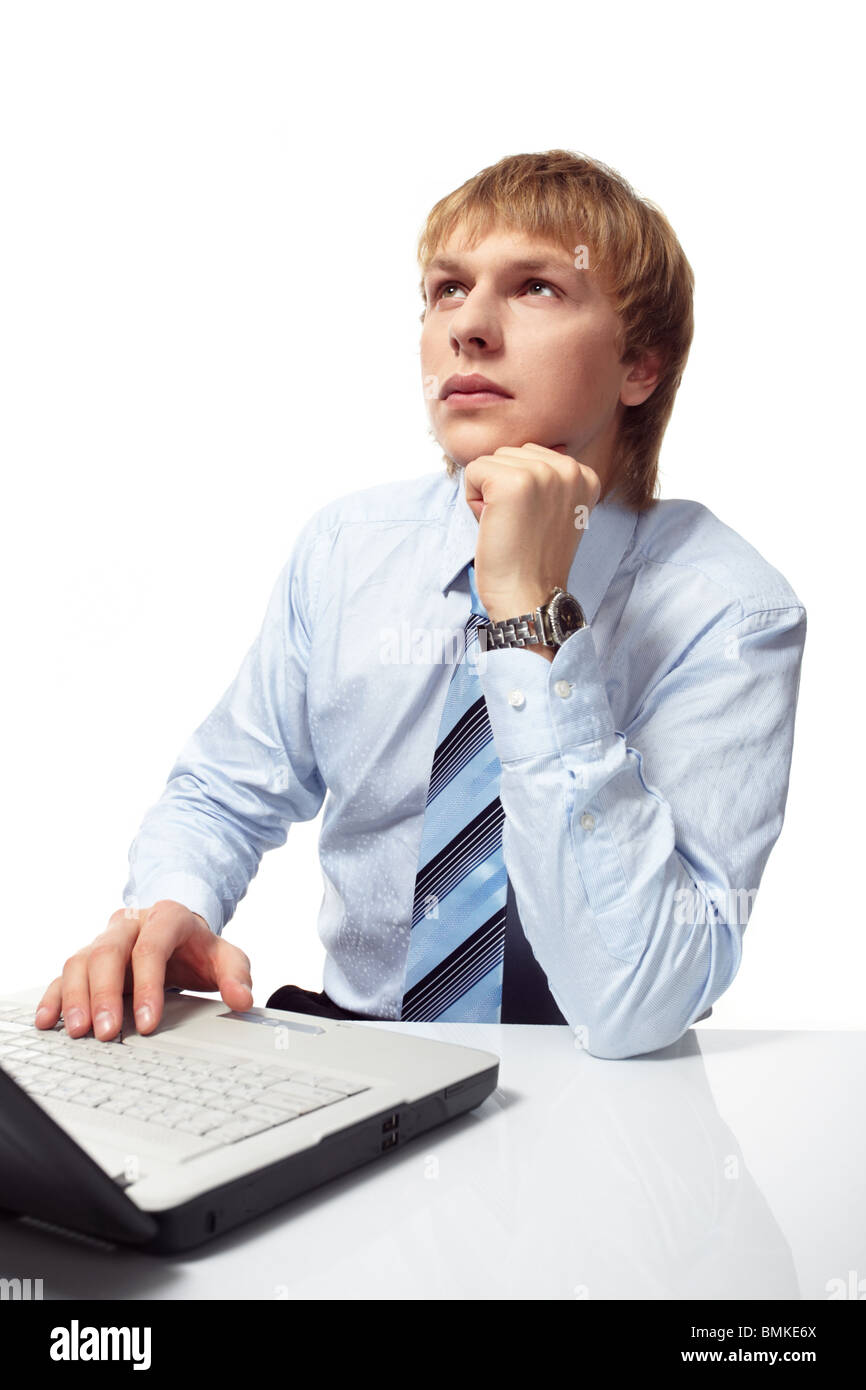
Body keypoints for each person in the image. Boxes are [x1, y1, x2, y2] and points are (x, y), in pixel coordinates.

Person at [35, 149, 806, 1058]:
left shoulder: (732, 612)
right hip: (358, 1072)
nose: (468, 329)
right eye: (446, 290)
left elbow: (638, 998)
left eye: (537, 289)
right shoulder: (349, 549)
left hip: (605, 1110)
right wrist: (169, 906)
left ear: (640, 364)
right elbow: (223, 792)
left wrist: (529, 614)